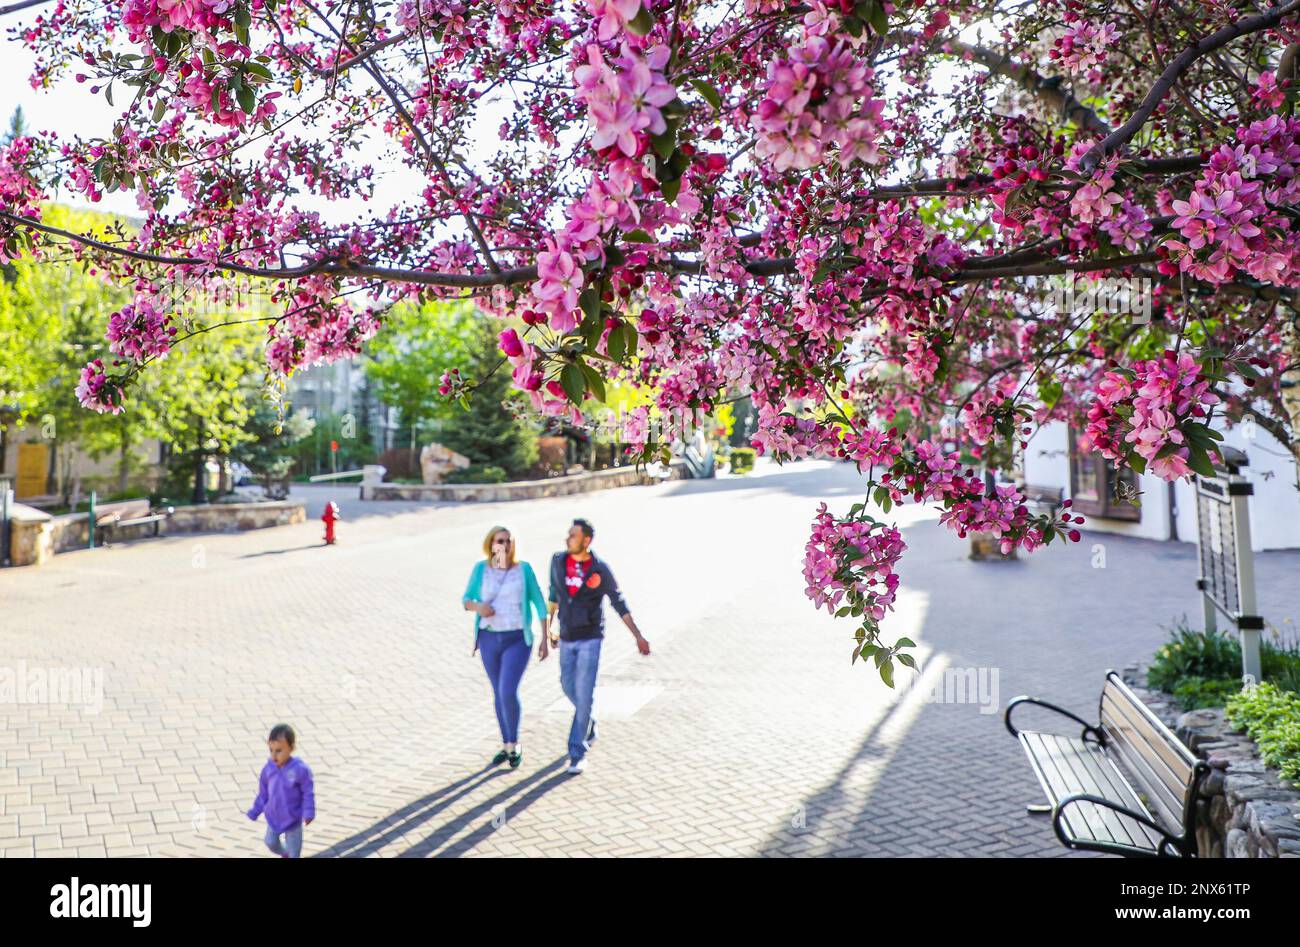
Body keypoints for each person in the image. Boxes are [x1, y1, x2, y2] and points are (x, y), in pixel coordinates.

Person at [543, 518, 650, 775]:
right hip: (567, 637)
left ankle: (577, 752)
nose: (567, 538)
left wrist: (637, 635)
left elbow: (618, 601)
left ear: (586, 540)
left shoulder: (599, 569)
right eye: (568, 534)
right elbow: (553, 597)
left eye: (573, 535)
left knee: (584, 692)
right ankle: (588, 721)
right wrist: (548, 630)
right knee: (567, 686)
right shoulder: (558, 561)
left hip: (591, 637)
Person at [462, 525, 549, 769]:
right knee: (498, 693)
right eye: (500, 541)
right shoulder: (481, 570)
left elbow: (539, 602)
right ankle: (506, 745)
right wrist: (479, 608)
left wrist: (545, 637)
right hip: (489, 638)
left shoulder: (523, 570)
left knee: (508, 690)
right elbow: (466, 600)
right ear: (490, 544)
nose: (505, 545)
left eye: (509, 541)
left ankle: (515, 741)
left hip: (516, 639)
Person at [246, 723, 315, 858]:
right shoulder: (268, 770)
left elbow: (308, 793)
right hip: (274, 817)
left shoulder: (300, 770)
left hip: (293, 820)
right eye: (271, 750)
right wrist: (255, 810)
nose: (274, 755)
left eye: (279, 751)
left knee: (295, 853)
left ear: (291, 748)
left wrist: (309, 812)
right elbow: (263, 793)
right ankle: (285, 853)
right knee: (270, 842)